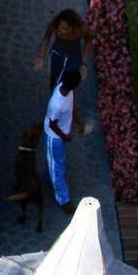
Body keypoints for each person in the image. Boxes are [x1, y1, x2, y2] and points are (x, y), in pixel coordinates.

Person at [45, 69, 83, 214]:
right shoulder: (56, 104)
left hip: (61, 134)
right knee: (57, 168)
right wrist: (64, 137)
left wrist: (78, 121)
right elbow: (52, 124)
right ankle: (63, 199)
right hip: (54, 137)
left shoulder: (67, 89)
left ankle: (46, 175)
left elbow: (73, 106)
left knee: (54, 162)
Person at [34, 8, 93, 93]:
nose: (63, 32)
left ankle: (69, 100)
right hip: (57, 56)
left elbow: (88, 41)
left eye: (67, 29)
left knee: (70, 83)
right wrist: (41, 57)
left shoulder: (81, 29)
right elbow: (47, 37)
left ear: (73, 27)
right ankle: (53, 92)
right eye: (61, 28)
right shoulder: (53, 25)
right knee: (54, 77)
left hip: (74, 59)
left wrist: (84, 63)